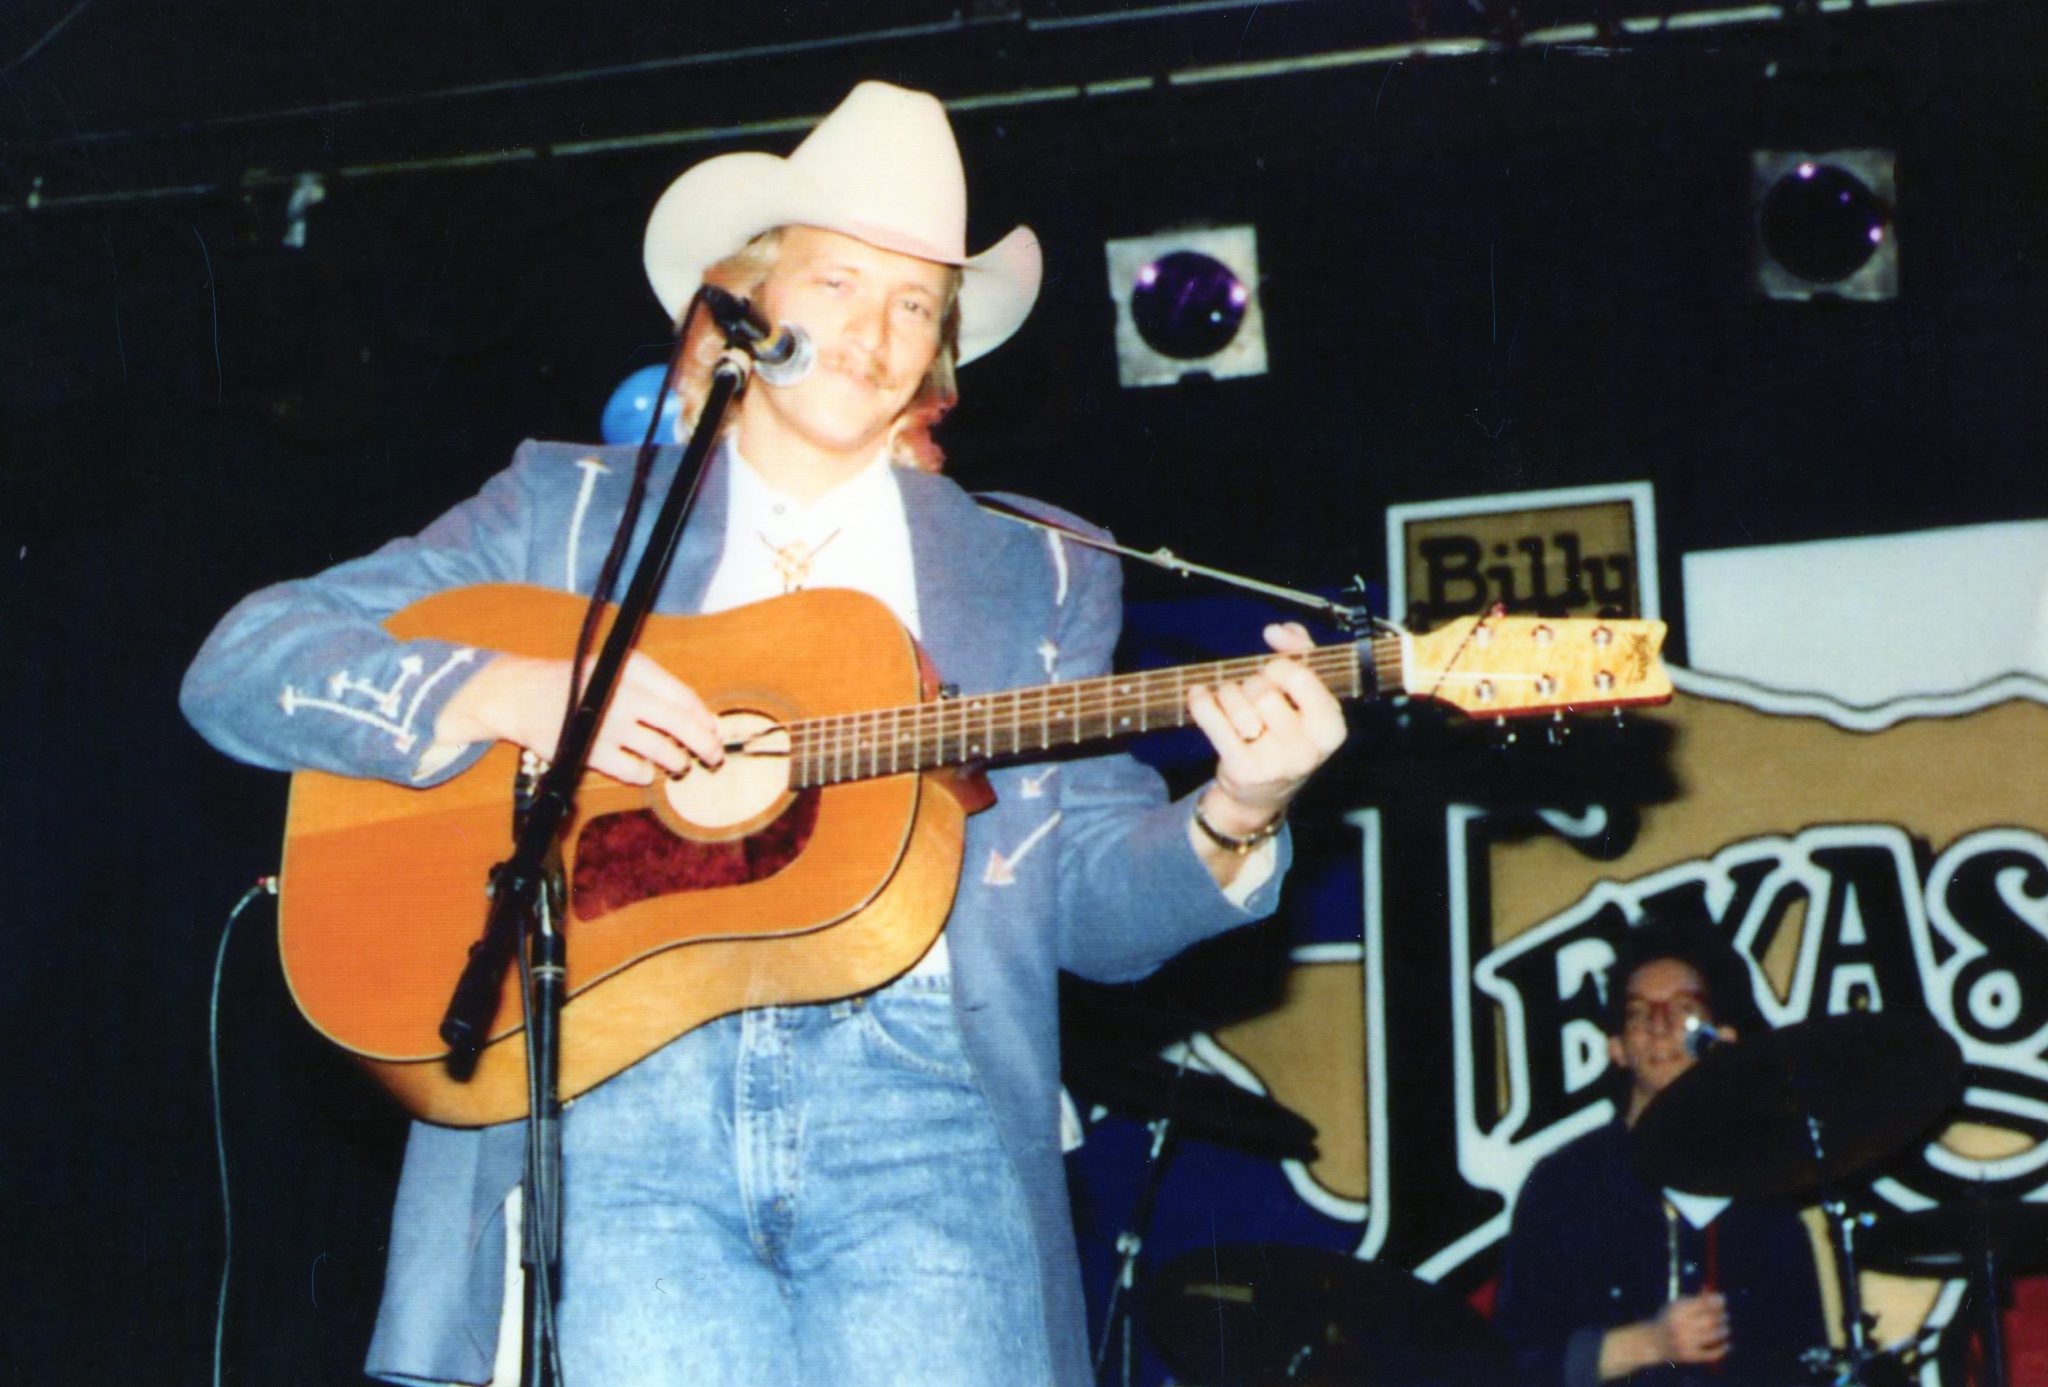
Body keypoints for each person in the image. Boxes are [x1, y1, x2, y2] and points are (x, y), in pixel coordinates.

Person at [179, 81, 1347, 1387]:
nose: (875, 331)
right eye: (841, 282)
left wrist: (1238, 812)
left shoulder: (1036, 573)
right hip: (621, 1099)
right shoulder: (570, 514)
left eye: (915, 303)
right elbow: (244, 661)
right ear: (748, 302)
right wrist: (504, 690)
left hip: (928, 1117)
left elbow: (1083, 902)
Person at [1492, 919, 1828, 1387]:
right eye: (1639, 1012)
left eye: (1684, 1008)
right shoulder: (1564, 1186)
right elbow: (1510, 1362)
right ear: (1618, 1048)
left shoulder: (1766, 1202)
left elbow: (1801, 1368)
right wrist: (1648, 1343)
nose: (1660, 1024)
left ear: (1722, 1040)